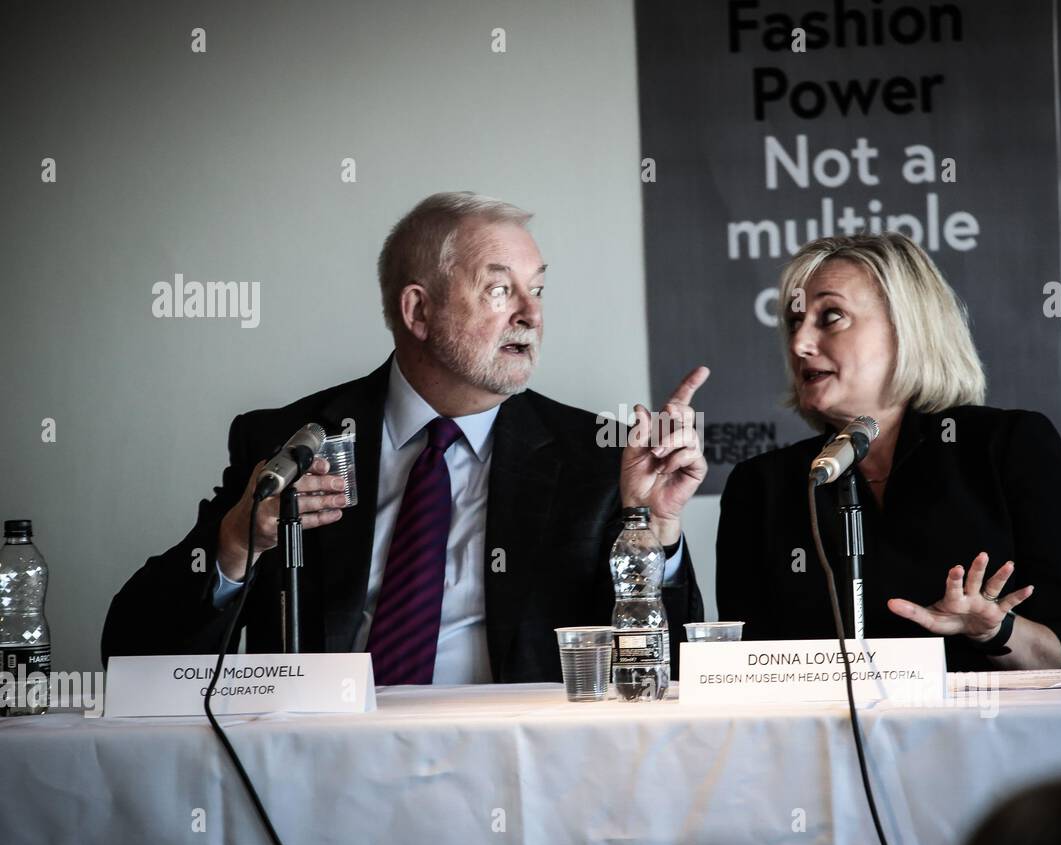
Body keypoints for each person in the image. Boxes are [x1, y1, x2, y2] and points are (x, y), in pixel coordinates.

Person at [102, 192, 707, 684]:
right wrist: (238, 540)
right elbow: (131, 652)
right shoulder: (290, 444)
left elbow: (673, 673)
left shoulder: (600, 456)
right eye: (500, 289)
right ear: (418, 312)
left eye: (538, 288)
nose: (532, 314)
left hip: (520, 773)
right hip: (325, 772)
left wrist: (655, 533)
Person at [716, 232, 1061, 671]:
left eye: (831, 317)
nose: (800, 343)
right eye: (794, 321)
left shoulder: (1008, 446)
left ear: (907, 328)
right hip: (826, 739)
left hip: (996, 734)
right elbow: (739, 672)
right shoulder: (761, 486)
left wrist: (996, 630)